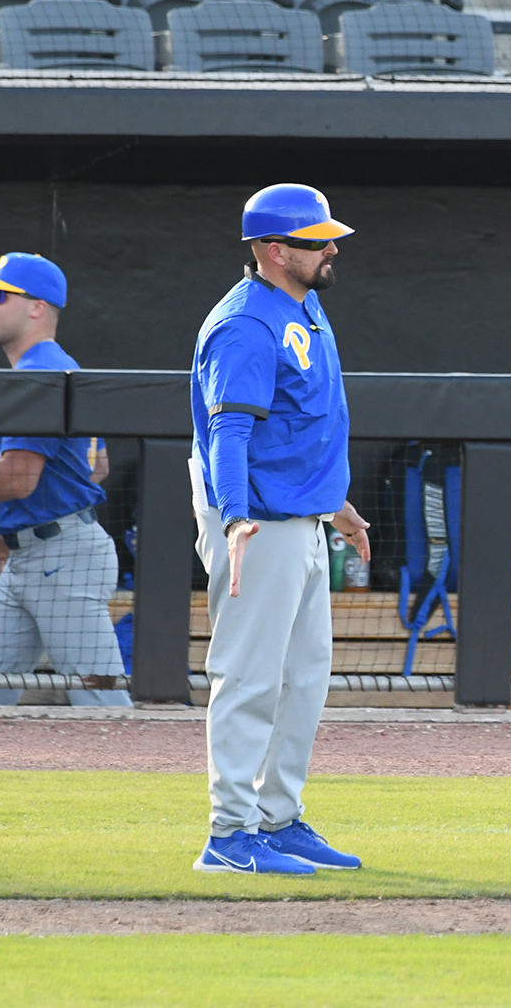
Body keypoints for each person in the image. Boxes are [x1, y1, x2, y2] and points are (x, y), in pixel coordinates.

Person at [190, 184, 371, 875]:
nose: (332, 248)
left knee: (303, 677)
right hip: (258, 520)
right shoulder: (245, 323)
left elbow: (307, 423)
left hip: (303, 514)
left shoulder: (305, 303)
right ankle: (229, 834)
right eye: (315, 239)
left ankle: (277, 817)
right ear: (272, 250)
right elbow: (229, 432)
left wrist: (337, 502)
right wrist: (235, 518)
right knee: (250, 677)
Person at [0, 253, 125, 706]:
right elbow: (98, 466)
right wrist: (13, 529)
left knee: (103, 707)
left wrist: (28, 520)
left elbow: (17, 479)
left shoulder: (41, 373)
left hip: (63, 560)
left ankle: (155, 775)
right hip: (37, 554)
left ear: (37, 306)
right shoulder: (60, 365)